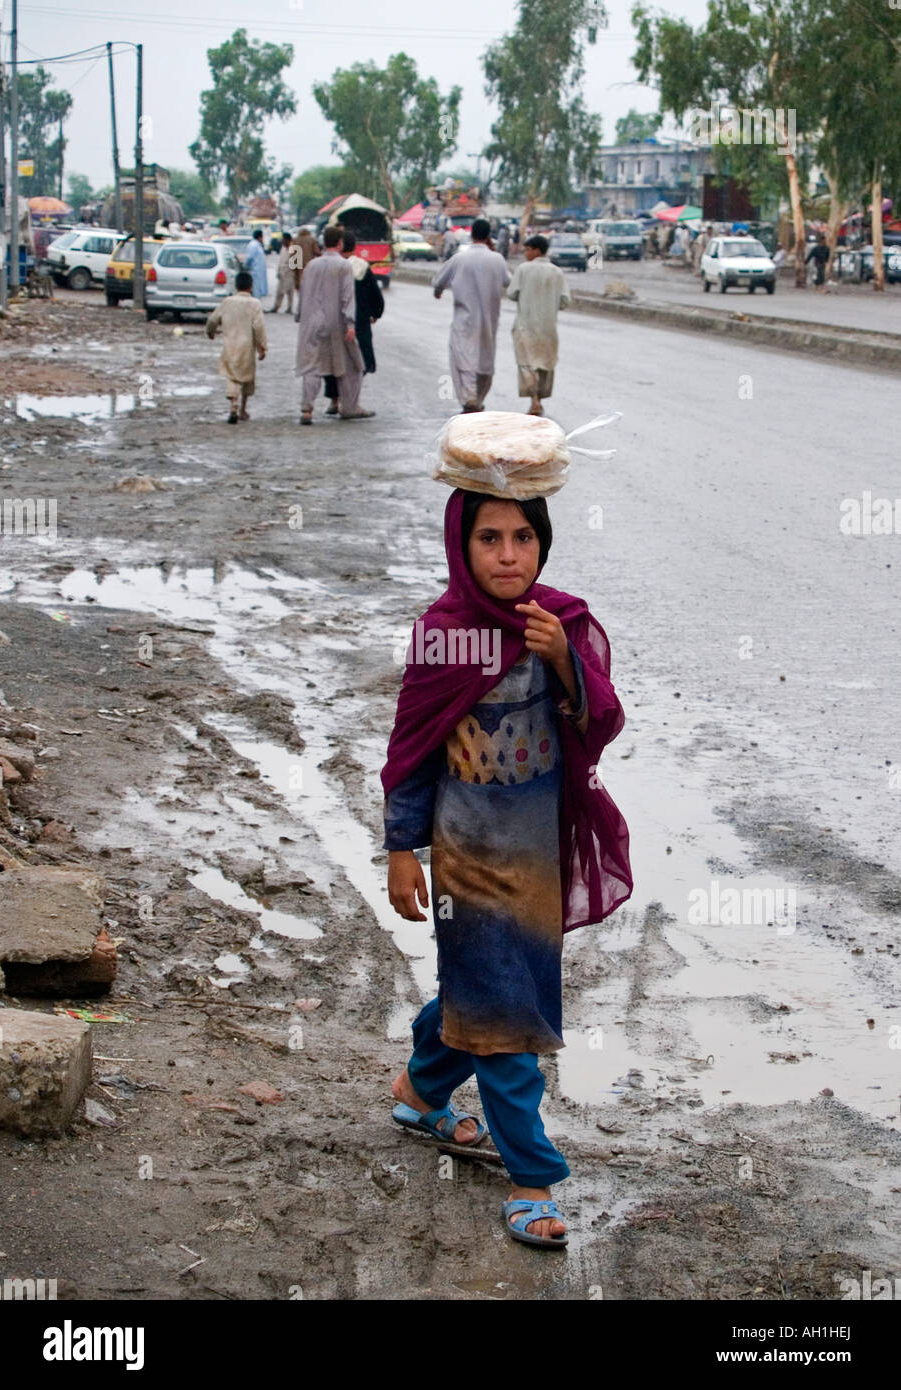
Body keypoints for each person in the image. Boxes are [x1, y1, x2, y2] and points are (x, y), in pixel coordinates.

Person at [383, 483, 632, 1248]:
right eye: (489, 538)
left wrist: (565, 662)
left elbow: (602, 719)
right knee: (509, 1016)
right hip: (466, 856)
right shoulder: (445, 634)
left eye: (523, 537)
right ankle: (533, 1176)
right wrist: (400, 848)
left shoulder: (564, 622)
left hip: (536, 851)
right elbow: (412, 749)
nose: (507, 555)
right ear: (462, 547)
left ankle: (421, 1088)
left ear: (542, 543)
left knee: (485, 992)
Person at [295, 224, 374, 424]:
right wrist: (350, 324)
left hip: (311, 322)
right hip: (336, 323)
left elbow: (303, 293)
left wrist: (299, 316)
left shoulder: (311, 265)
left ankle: (307, 409)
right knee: (351, 365)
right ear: (340, 243)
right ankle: (349, 406)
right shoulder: (344, 266)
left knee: (312, 367)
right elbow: (347, 297)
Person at [433, 217, 511, 412]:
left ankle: (469, 398)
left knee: (463, 357)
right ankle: (479, 398)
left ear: (472, 234)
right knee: (486, 359)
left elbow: (438, 282)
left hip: (464, 319)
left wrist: (438, 291)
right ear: (488, 236)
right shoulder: (497, 259)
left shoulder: (460, 258)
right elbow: (508, 282)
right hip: (489, 320)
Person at [322, 228, 385, 417]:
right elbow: (376, 297)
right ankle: (351, 402)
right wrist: (375, 314)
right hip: (358, 323)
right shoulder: (361, 267)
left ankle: (335, 401)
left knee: (333, 361)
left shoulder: (327, 266)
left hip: (332, 322)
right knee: (359, 363)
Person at [506, 235, 571, 416]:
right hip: (548, 328)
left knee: (527, 363)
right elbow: (565, 301)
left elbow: (512, 293)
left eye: (528, 249)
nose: (526, 253)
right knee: (545, 364)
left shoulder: (523, 269)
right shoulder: (557, 272)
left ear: (536, 250)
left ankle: (533, 399)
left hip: (524, 326)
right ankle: (539, 399)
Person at [205, 269, 267, 425]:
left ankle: (233, 405)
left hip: (230, 345)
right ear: (251, 287)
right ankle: (243, 409)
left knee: (232, 376)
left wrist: (210, 332)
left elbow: (213, 320)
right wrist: (262, 347)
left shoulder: (227, 302)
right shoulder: (255, 304)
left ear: (236, 286)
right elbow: (259, 327)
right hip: (247, 346)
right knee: (247, 378)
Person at [270, 232, 296, 314]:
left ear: (288, 240)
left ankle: (290, 307)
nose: (282, 241)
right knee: (279, 291)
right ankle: (276, 306)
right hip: (282, 272)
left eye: (283, 240)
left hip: (290, 273)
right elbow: (280, 261)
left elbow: (296, 264)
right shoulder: (283, 249)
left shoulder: (294, 249)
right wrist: (278, 271)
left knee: (290, 292)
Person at [242, 228, 268, 301]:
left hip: (259, 272)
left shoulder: (258, 245)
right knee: (255, 290)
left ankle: (257, 304)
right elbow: (249, 258)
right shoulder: (253, 245)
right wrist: (245, 267)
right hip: (254, 272)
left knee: (258, 290)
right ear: (260, 237)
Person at [292, 225, 320, 291]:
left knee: (300, 284)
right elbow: (316, 251)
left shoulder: (295, 240)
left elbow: (292, 254)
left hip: (298, 265)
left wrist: (292, 267)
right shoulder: (312, 239)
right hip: (309, 264)